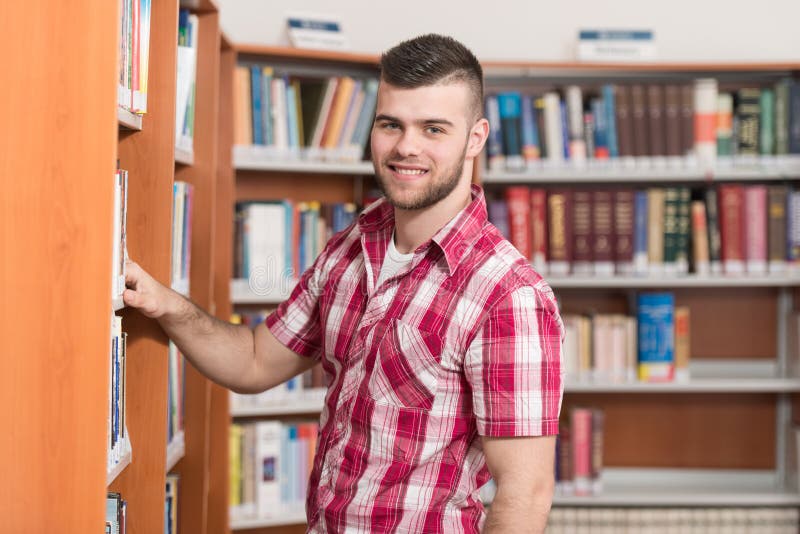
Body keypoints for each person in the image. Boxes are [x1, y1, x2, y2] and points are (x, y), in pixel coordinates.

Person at [124, 33, 564, 533]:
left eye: (433, 128)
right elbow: (252, 360)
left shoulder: (508, 295)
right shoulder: (349, 248)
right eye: (390, 124)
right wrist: (165, 305)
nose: (406, 147)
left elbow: (525, 498)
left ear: (476, 138)